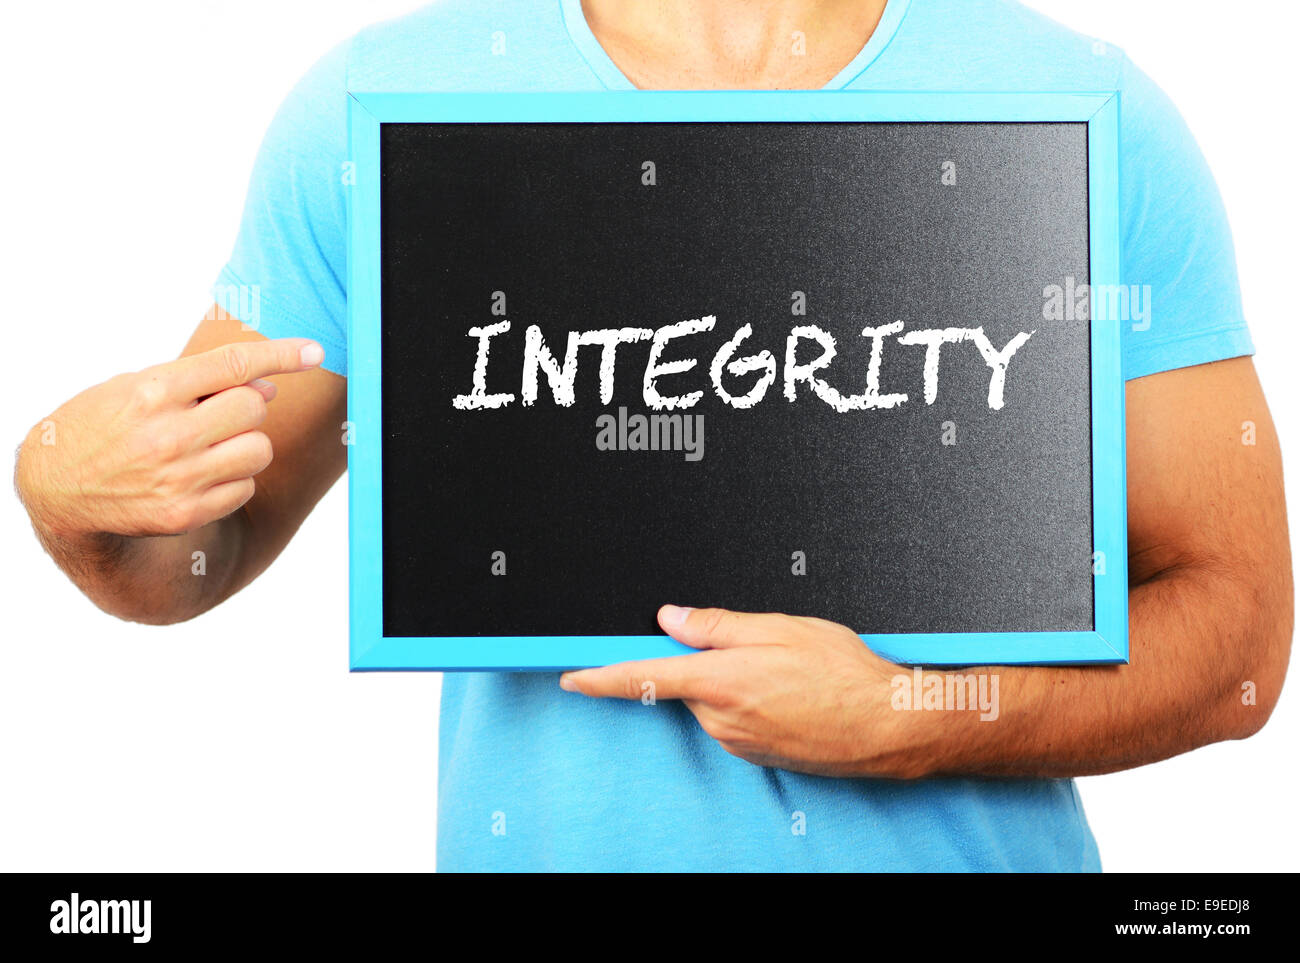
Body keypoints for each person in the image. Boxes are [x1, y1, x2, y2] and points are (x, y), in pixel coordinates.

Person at [14, 0, 1292, 871]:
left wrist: (913, 714)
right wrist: (66, 495)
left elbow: (1236, 636)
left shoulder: (1073, 105)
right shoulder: (387, 107)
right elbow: (191, 562)